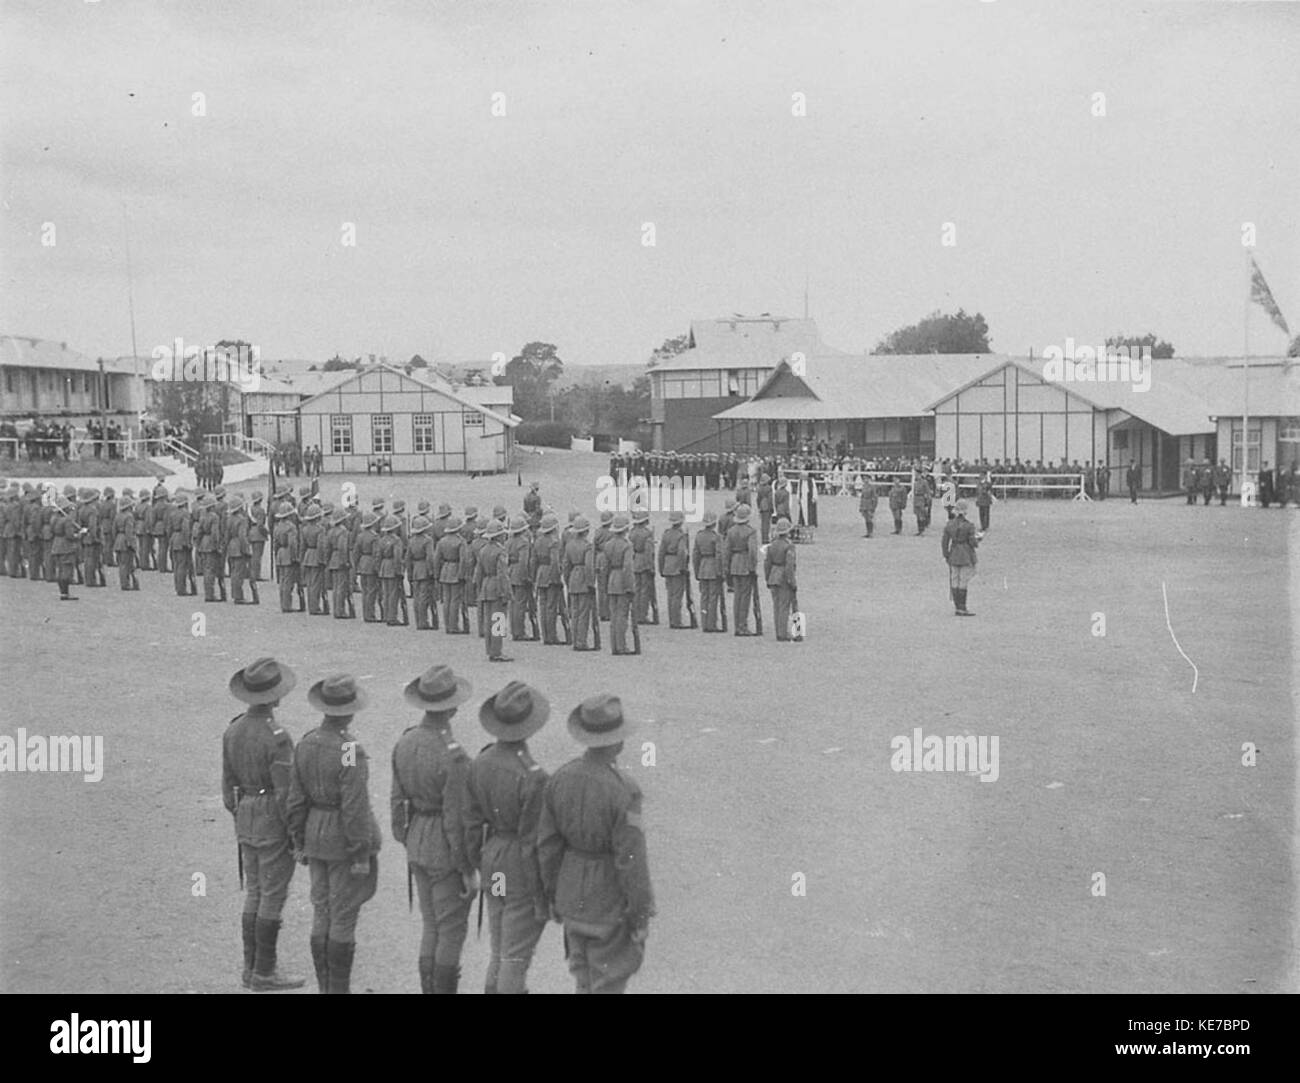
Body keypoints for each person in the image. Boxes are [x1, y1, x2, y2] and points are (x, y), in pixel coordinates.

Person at [538, 694, 655, 994]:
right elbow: (631, 860)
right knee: (608, 982)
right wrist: (640, 913)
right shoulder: (623, 790)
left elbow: (548, 846)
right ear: (618, 742)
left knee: (583, 979)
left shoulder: (560, 778)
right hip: (608, 900)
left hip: (570, 892)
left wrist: (552, 894)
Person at [286, 674, 381, 995]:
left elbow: (295, 800)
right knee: (343, 915)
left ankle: (326, 987)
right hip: (341, 840)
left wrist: (298, 841)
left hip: (314, 834)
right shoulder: (349, 749)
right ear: (350, 712)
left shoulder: (306, 742)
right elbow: (354, 808)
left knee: (321, 908)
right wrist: (360, 852)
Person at [391, 665, 476, 994]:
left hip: (417, 840)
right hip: (443, 846)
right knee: (451, 930)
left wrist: (406, 838)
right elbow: (457, 820)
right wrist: (467, 867)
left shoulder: (405, 741)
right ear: (452, 708)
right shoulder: (454, 756)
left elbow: (397, 801)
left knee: (430, 926)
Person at [223, 658, 306, 991]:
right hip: (272, 814)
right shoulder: (278, 737)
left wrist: (242, 813)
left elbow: (227, 788)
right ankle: (265, 972)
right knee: (272, 895)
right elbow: (288, 795)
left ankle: (250, 967)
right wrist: (296, 835)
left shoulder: (233, 729)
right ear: (275, 697)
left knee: (255, 891)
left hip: (245, 812)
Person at [465, 681, 551, 994]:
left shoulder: (481, 761)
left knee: (500, 946)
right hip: (518, 866)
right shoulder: (533, 775)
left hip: (494, 859)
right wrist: (542, 896)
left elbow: (472, 821)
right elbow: (533, 842)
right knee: (515, 957)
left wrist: (477, 861)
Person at [474, 519, 512, 662]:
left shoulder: (483, 550)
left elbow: (478, 573)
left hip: (486, 585)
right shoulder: (500, 551)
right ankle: (497, 651)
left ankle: (490, 649)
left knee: (489, 620)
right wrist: (506, 593)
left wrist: (480, 588)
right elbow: (503, 574)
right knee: (499, 620)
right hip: (497, 586)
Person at [941, 499, 981, 617]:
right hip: (965, 554)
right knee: (963, 580)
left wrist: (946, 554)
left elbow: (944, 542)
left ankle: (957, 607)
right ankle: (962, 607)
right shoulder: (969, 526)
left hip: (953, 553)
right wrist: (978, 541)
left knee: (954, 579)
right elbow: (972, 542)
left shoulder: (949, 524)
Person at [563, 514, 597, 650]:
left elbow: (566, 565)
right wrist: (591, 583)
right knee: (583, 614)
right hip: (583, 579)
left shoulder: (569, 545)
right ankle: (581, 642)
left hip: (573, 579)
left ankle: (575, 639)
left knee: (575, 613)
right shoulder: (587, 546)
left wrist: (568, 580)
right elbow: (589, 566)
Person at [726, 503, 759, 636]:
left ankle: (737, 625)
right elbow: (752, 551)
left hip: (734, 563)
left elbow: (727, 551)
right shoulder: (750, 531)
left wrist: (727, 567)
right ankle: (742, 626)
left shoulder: (731, 531)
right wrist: (752, 567)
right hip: (745, 564)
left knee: (737, 598)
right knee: (745, 598)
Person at [764, 517, 798, 641]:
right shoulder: (789, 546)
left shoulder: (771, 545)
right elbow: (789, 567)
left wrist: (767, 578)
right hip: (783, 577)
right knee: (784, 606)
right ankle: (782, 633)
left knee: (776, 606)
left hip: (773, 576)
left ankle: (779, 630)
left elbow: (767, 564)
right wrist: (792, 582)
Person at [533, 513, 564, 645]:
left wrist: (534, 576)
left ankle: (544, 635)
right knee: (551, 607)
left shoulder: (538, 540)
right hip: (551, 575)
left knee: (542, 606)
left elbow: (533, 560)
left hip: (541, 573)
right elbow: (555, 561)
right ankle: (551, 636)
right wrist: (558, 577)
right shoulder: (554, 542)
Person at [433, 514, 467, 633]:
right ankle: (453, 626)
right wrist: (462, 575)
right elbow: (463, 560)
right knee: (455, 600)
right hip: (456, 569)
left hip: (445, 570)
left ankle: (447, 625)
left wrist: (437, 574)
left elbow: (436, 559)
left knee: (446, 599)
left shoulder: (442, 541)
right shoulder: (460, 541)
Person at [692, 510, 724, 632]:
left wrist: (697, 571)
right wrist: (720, 572)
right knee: (712, 598)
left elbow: (695, 555)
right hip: (713, 568)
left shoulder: (699, 535)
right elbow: (719, 555)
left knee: (704, 597)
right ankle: (711, 624)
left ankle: (704, 622)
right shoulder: (716, 537)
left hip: (702, 567)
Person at [658, 509, 689, 628]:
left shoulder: (666, 533)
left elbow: (661, 553)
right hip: (677, 565)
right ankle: (676, 621)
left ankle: (672, 619)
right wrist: (683, 567)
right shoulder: (681, 535)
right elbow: (682, 552)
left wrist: (661, 568)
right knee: (677, 596)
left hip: (667, 565)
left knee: (670, 595)